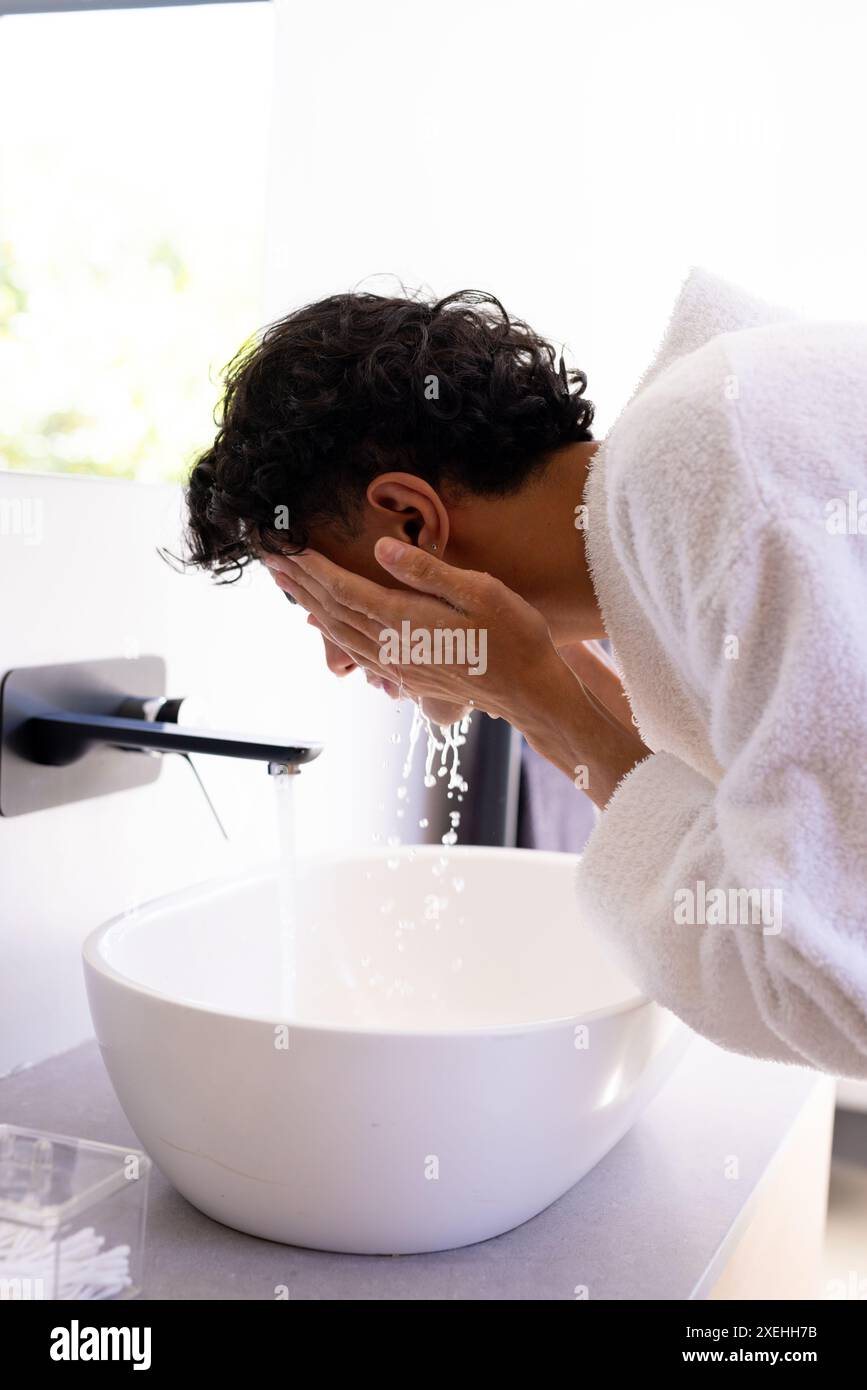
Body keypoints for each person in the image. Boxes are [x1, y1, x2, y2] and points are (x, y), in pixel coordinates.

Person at [183, 268, 867, 1077]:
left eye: (320, 601)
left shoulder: (711, 454)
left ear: (410, 520)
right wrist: (529, 674)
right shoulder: (695, 478)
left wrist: (543, 704)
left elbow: (830, 987)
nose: (338, 656)